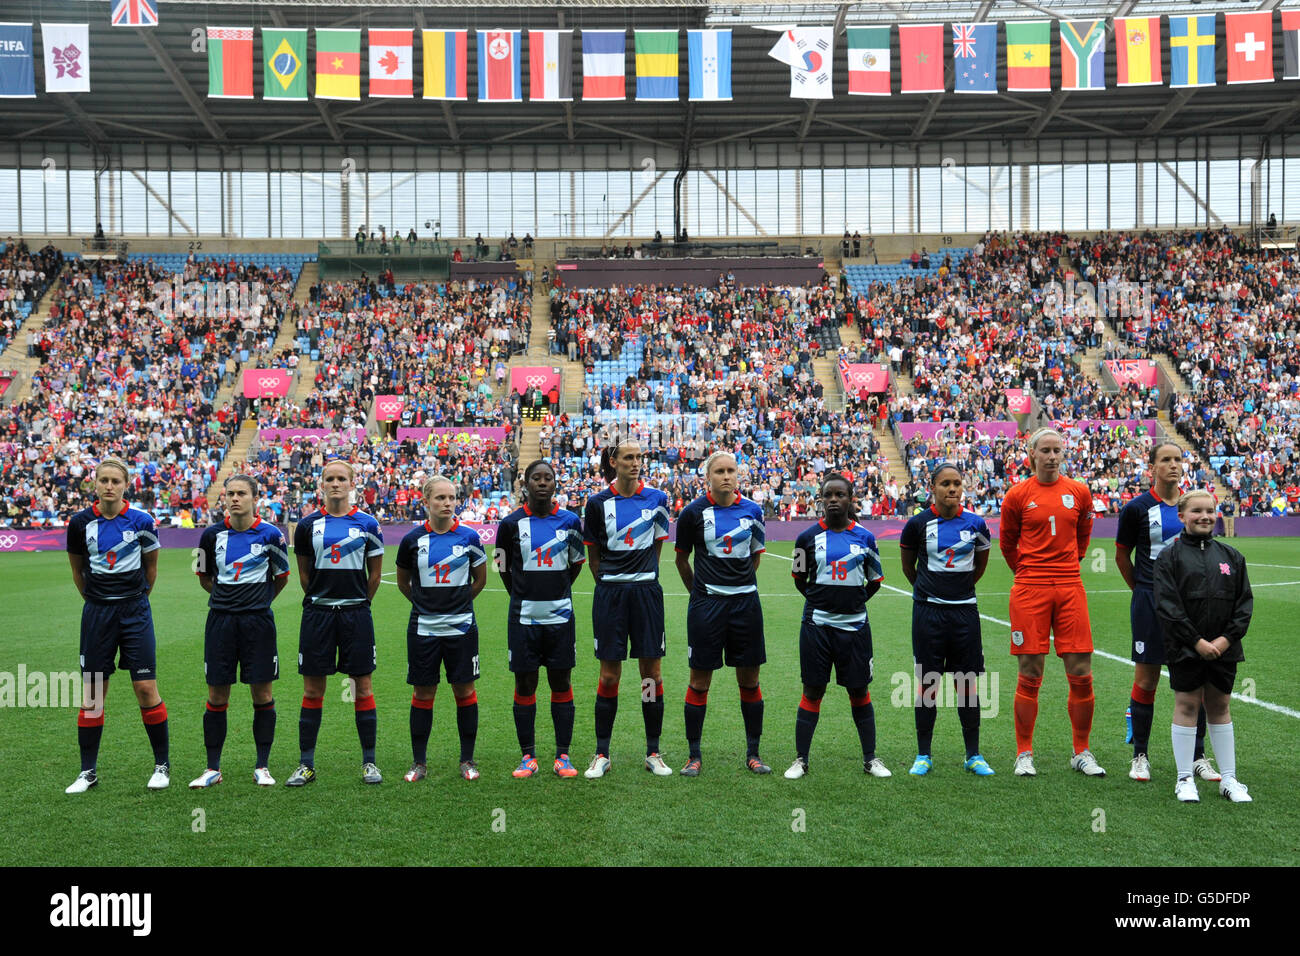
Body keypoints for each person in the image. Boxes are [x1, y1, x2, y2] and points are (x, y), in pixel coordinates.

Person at [999, 428, 1104, 778]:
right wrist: (1029, 572)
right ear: (1032, 454)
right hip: (1030, 588)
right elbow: (1007, 543)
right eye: (1045, 450)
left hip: (1070, 586)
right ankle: (1024, 752)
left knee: (1081, 671)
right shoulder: (1017, 495)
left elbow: (1084, 536)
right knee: (1030, 672)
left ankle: (1081, 751)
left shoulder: (1079, 492)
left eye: (1057, 450)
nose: (1052, 456)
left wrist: (1069, 565)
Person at [65, 458, 171, 793]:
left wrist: (134, 600)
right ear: (94, 484)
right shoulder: (79, 523)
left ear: (126, 485)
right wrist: (98, 602)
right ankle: (87, 772)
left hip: (135, 612)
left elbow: (150, 569)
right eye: (103, 480)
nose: (109, 486)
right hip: (97, 614)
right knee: (94, 693)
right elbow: (78, 571)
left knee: (145, 688)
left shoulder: (142, 521)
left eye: (115, 481)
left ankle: (162, 766)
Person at [1115, 443, 1218, 784]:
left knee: (1194, 682)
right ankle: (1140, 755)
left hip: (1192, 606)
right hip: (1149, 604)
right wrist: (1146, 592)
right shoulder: (1136, 509)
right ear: (1152, 467)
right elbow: (1122, 557)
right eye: (1166, 460)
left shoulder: (1193, 508)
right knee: (1146, 681)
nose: (1174, 465)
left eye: (1178, 459)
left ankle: (1198, 756)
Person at [286, 459, 385, 787]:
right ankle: (306, 764)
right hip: (318, 615)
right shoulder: (307, 525)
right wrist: (322, 599)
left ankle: (369, 762)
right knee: (313, 689)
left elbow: (374, 575)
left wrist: (359, 603)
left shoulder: (369, 525)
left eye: (342, 478)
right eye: (329, 478)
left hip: (356, 614)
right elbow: (304, 573)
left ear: (352, 483)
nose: (335, 483)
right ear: (322, 484)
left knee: (362, 687)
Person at [784, 474, 889, 779]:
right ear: (820, 499)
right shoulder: (805, 538)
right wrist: (823, 603)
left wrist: (852, 603)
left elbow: (875, 581)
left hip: (855, 628)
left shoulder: (866, 538)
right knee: (813, 690)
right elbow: (799, 580)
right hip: (817, 626)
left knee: (859, 691)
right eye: (827, 495)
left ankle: (870, 759)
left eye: (839, 495)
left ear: (850, 499)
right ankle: (801, 760)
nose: (833, 500)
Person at [190, 474, 290, 789]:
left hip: (258, 624)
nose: (235, 498)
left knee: (262, 694)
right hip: (220, 622)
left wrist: (257, 602)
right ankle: (212, 768)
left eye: (241, 493)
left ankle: (262, 766)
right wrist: (226, 599)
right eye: (230, 493)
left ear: (254, 498)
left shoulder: (273, 535)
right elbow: (204, 576)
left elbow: (282, 577)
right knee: (217, 694)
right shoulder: (209, 536)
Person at [1153, 490, 1254, 803]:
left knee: (1220, 707)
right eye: (1196, 511)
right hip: (1186, 647)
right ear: (1182, 516)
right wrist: (1196, 642)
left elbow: (1244, 605)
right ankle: (1185, 778)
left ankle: (1229, 779)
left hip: (1225, 649)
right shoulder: (1168, 557)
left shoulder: (1232, 557)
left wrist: (1224, 641)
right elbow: (1168, 606)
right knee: (1186, 705)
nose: (1205, 517)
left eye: (1210, 511)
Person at [674, 451, 770, 775]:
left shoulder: (753, 511)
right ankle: (694, 756)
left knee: (750, 680)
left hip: (746, 606)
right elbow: (681, 561)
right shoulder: (693, 513)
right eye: (720, 471)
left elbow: (754, 558)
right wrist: (700, 594)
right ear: (708, 478)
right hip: (707, 606)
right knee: (699, 681)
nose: (726, 476)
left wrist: (738, 585)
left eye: (731, 470)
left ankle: (753, 754)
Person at [897, 463, 995, 777]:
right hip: (928, 613)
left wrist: (959, 590)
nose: (952, 489)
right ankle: (923, 754)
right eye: (945, 484)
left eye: (956, 483)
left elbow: (979, 566)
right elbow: (908, 567)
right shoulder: (917, 524)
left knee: (967, 684)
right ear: (933, 488)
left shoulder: (976, 524)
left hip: (964, 612)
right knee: (928, 684)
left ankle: (973, 754)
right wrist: (929, 592)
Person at [582, 441, 672, 779]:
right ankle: (601, 753)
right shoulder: (597, 503)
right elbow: (593, 559)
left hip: (647, 594)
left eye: (639, 457)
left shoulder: (657, 500)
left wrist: (643, 580)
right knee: (609, 676)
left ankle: (653, 751)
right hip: (611, 596)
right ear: (614, 462)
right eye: (629, 458)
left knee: (651, 676)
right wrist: (611, 585)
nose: (636, 463)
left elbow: (657, 548)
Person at [496, 460, 586, 778]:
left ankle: (563, 756)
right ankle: (528, 757)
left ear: (555, 484)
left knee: (561, 682)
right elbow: (502, 566)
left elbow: (576, 564)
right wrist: (522, 594)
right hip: (523, 619)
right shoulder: (509, 524)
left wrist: (556, 589)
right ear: (526, 483)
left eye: (548, 478)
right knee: (525, 683)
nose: (543, 483)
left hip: (560, 618)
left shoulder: (571, 521)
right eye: (536, 478)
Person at [395, 476, 487, 782]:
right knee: (424, 691)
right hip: (424, 628)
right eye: (440, 498)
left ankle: (467, 760)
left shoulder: (470, 538)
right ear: (426, 502)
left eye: (452, 498)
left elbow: (480, 579)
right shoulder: (411, 540)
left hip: (461, 627)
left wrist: (458, 603)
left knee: (464, 689)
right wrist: (426, 606)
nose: (447, 503)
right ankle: (419, 763)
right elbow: (403, 583)